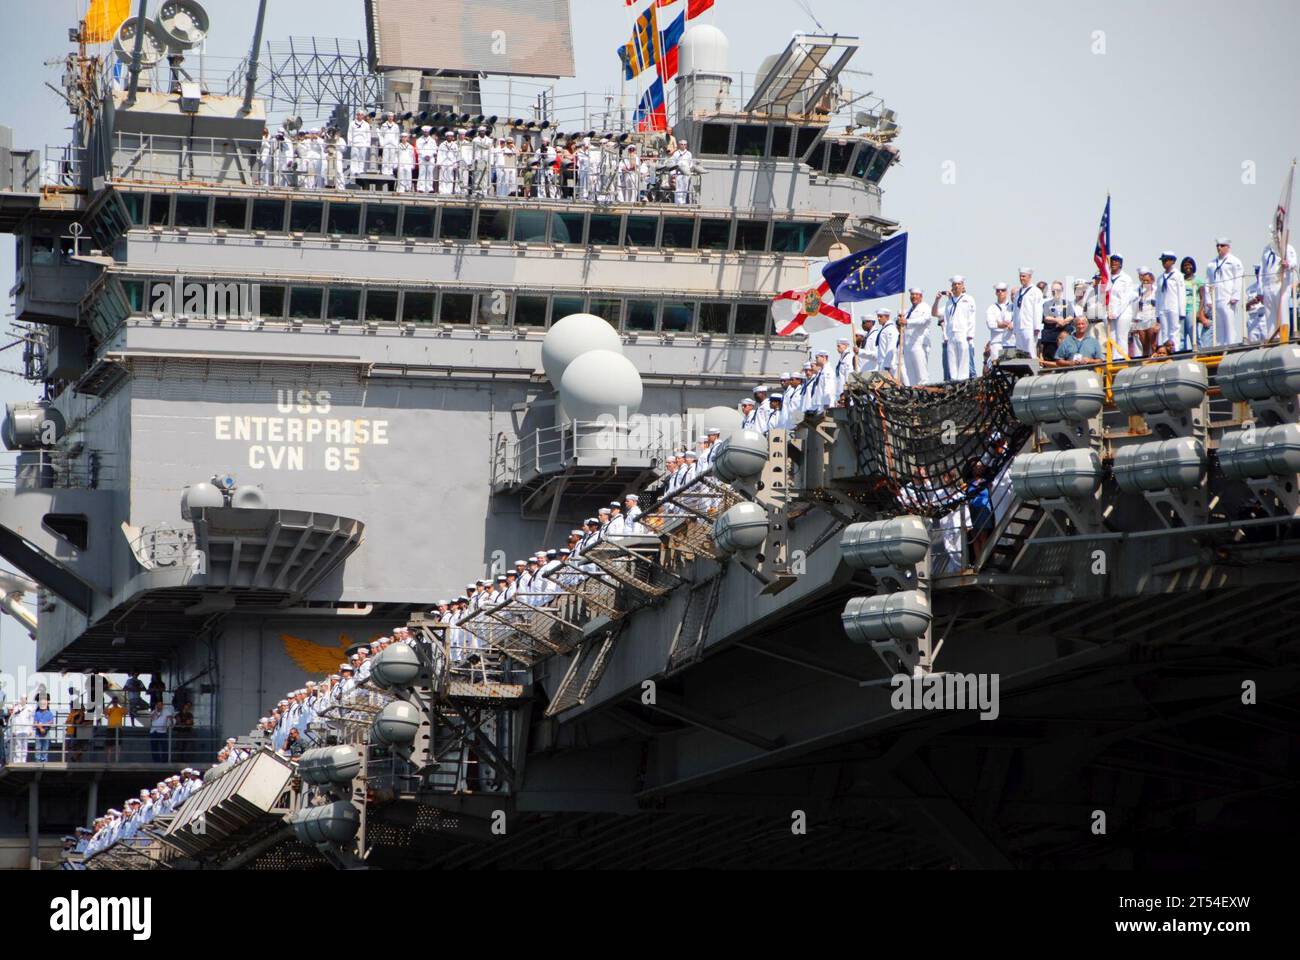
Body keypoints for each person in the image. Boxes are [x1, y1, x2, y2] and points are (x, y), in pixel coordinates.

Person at [935, 276, 975, 381]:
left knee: (963, 358)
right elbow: (947, 319)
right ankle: (954, 379)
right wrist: (947, 334)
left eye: (958, 284)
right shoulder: (949, 302)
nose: (956, 286)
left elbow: (971, 318)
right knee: (952, 358)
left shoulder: (968, 299)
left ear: (962, 286)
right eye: (954, 284)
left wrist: (970, 334)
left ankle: (963, 379)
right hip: (951, 333)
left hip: (963, 332)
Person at [1207, 237, 1244, 346]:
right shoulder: (1212, 264)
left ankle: (1230, 346)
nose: (1219, 248)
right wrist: (1208, 299)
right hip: (1216, 297)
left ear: (1228, 247)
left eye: (1222, 245)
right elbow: (1208, 282)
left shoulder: (1234, 261)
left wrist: (1235, 296)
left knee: (1229, 324)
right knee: (1218, 326)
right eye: (1217, 246)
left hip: (1228, 297)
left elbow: (1238, 279)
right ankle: (1220, 346)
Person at [1260, 235, 1298, 340]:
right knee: (1269, 315)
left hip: (1281, 284)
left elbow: (1294, 263)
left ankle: (1283, 337)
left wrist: (1288, 264)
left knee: (1282, 313)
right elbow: (1262, 268)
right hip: (1268, 285)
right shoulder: (1266, 249)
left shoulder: (1287, 248)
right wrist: (1260, 289)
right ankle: (1272, 338)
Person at [899, 289, 932, 386]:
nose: (914, 297)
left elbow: (925, 320)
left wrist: (908, 322)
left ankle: (924, 396)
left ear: (921, 296)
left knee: (921, 374)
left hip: (918, 343)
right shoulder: (909, 310)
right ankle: (915, 397)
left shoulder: (924, 307)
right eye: (912, 295)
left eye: (916, 295)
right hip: (908, 345)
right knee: (911, 375)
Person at [1155, 251, 1187, 352]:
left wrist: (1182, 311)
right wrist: (1157, 313)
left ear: (1172, 261)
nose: (1164, 263)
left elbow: (1181, 294)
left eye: (1166, 260)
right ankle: (1165, 350)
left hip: (1174, 306)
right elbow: (1158, 296)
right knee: (1164, 331)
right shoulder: (1160, 278)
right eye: (1163, 260)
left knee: (1174, 330)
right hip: (1163, 307)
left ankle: (1175, 350)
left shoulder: (1177, 275)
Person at [1107, 254, 1136, 358]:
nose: (1114, 263)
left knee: (1121, 336)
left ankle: (1122, 358)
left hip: (1123, 311)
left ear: (1120, 264)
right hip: (1111, 312)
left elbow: (1126, 299)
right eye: (1112, 261)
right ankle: (1115, 358)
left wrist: (1116, 312)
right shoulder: (1107, 278)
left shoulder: (1126, 278)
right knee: (1112, 336)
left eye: (1116, 261)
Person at [1012, 268, 1044, 355]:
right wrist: (1015, 327)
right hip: (1019, 326)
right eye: (1020, 276)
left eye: (1024, 276)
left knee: (1030, 351)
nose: (1021, 278)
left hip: (1029, 326)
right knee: (1020, 351)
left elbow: (1038, 309)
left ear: (1029, 277)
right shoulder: (1018, 292)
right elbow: (1015, 311)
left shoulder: (1035, 291)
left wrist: (1037, 326)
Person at [1040, 281, 1072, 363]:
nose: (1056, 292)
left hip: (1064, 334)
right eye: (1053, 290)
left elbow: (1071, 316)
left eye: (1058, 290)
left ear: (1062, 290)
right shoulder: (1046, 304)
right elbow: (1046, 317)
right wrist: (1057, 320)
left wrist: (1063, 321)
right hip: (1051, 336)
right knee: (1050, 358)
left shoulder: (1067, 303)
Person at [1182, 256, 1209, 349]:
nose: (1187, 267)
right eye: (1185, 265)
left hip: (1193, 309)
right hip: (1181, 310)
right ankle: (1182, 354)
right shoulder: (1180, 280)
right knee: (1181, 335)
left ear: (1193, 266)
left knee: (1193, 332)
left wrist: (1200, 312)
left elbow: (1202, 298)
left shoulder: (1199, 280)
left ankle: (1199, 352)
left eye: (1189, 265)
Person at [986, 282, 1014, 367]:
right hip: (996, 341)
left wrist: (1001, 324)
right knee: (997, 367)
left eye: (1003, 290)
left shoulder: (1013, 307)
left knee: (1011, 367)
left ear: (1007, 292)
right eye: (998, 291)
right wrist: (1003, 325)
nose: (1000, 292)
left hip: (1011, 342)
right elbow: (991, 324)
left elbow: (1016, 321)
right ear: (996, 293)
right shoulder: (991, 308)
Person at [348, 110, 371, 182]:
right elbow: (349, 133)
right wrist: (350, 142)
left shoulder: (366, 124)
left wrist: (367, 143)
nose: (359, 116)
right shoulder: (352, 123)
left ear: (363, 116)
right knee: (354, 157)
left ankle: (360, 170)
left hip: (363, 143)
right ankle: (354, 170)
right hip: (355, 142)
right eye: (358, 114)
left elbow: (368, 134)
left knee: (362, 157)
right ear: (356, 115)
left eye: (361, 115)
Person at [671, 139, 694, 204]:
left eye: (684, 144)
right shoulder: (676, 153)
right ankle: (677, 203)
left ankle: (683, 203)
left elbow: (690, 164)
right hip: (678, 173)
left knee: (685, 188)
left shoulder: (689, 154)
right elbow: (673, 163)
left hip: (686, 173)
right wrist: (673, 173)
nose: (683, 146)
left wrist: (690, 172)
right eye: (682, 144)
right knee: (678, 188)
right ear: (679, 145)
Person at [416, 127, 437, 194]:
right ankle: (421, 188)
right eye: (424, 132)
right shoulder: (419, 140)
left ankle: (429, 187)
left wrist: (429, 156)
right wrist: (424, 156)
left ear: (429, 132)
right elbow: (418, 149)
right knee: (422, 173)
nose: (426, 133)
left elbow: (434, 149)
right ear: (423, 132)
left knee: (430, 173)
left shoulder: (432, 140)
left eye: (427, 132)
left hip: (430, 159)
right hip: (422, 158)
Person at [32, 697, 54, 763]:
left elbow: (51, 722)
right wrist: (41, 728)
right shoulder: (37, 713)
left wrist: (43, 725)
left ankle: (44, 761)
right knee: (38, 747)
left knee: (45, 747)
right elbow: (35, 723)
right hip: (38, 732)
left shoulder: (49, 713)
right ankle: (38, 761)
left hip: (46, 732)